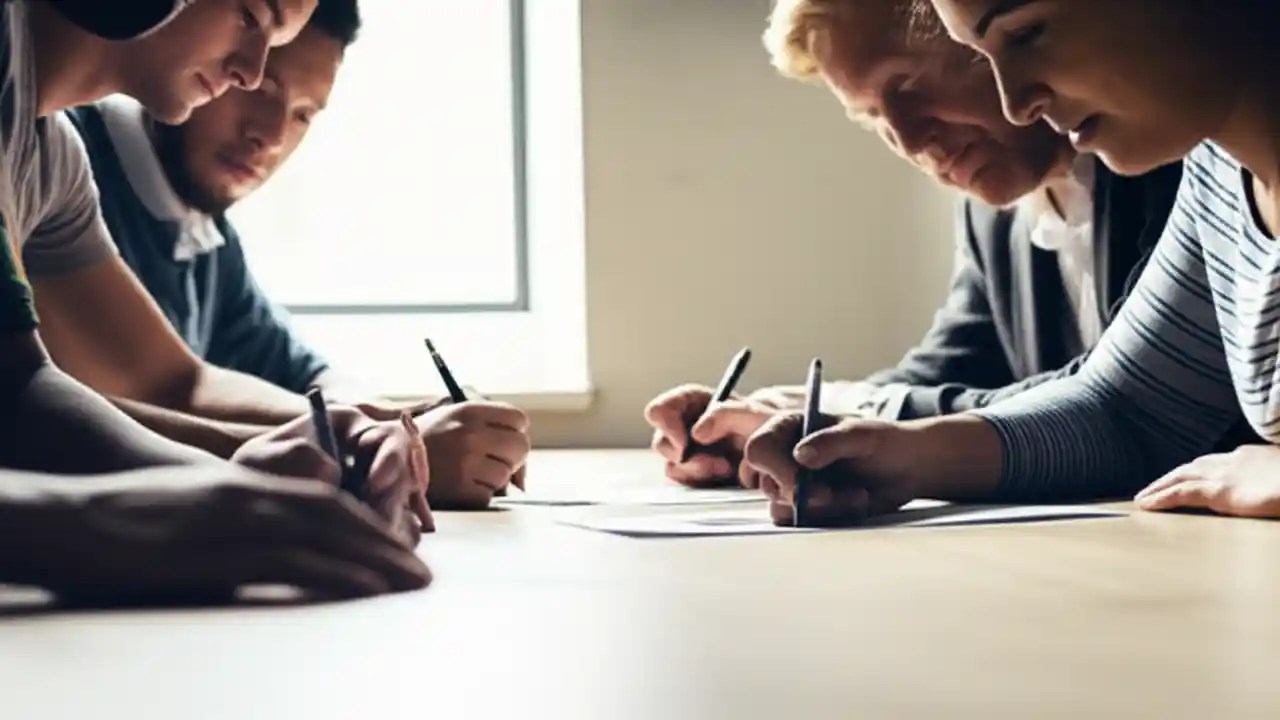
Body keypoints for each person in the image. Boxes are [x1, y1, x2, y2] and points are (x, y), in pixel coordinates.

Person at [643, 0, 1252, 489]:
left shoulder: (1171, 149)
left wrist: (873, 419)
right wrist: (802, 423)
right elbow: (1120, 406)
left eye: (907, 85)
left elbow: (1132, 403)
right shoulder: (1002, 216)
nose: (908, 140)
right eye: (872, 119)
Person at [0, 0, 427, 599]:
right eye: (252, 16)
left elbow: (22, 389)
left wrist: (242, 467)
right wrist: (96, 521)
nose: (252, 73)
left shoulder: (48, 154)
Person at [61, 1, 528, 510]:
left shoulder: (203, 233)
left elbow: (291, 376)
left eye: (303, 114)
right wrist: (375, 449)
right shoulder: (72, 160)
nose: (272, 136)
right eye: (260, 88)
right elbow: (128, 397)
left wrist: (397, 421)